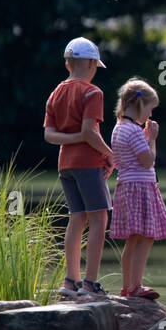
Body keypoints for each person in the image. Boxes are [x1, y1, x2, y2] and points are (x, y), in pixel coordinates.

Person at [43, 37, 114, 297]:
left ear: (67, 64)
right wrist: (110, 154)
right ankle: (90, 283)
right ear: (92, 64)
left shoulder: (56, 93)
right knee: (99, 218)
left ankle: (69, 282)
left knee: (76, 219)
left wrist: (72, 139)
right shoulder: (93, 92)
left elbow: (49, 136)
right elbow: (89, 132)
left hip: (65, 165)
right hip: (87, 163)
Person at [109, 78, 166, 299]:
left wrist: (145, 137)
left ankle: (127, 287)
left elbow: (128, 158)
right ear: (138, 105)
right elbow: (148, 161)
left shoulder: (119, 128)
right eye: (149, 109)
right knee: (145, 236)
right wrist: (153, 139)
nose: (150, 115)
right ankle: (136, 286)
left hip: (126, 186)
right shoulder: (134, 131)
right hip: (140, 187)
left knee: (134, 238)